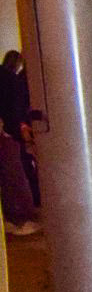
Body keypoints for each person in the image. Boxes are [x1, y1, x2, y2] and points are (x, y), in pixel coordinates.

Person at [0, 51, 36, 233]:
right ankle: (22, 216)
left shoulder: (9, 78)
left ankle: (19, 216)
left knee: (13, 174)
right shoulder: (13, 79)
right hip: (11, 130)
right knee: (15, 173)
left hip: (9, 130)